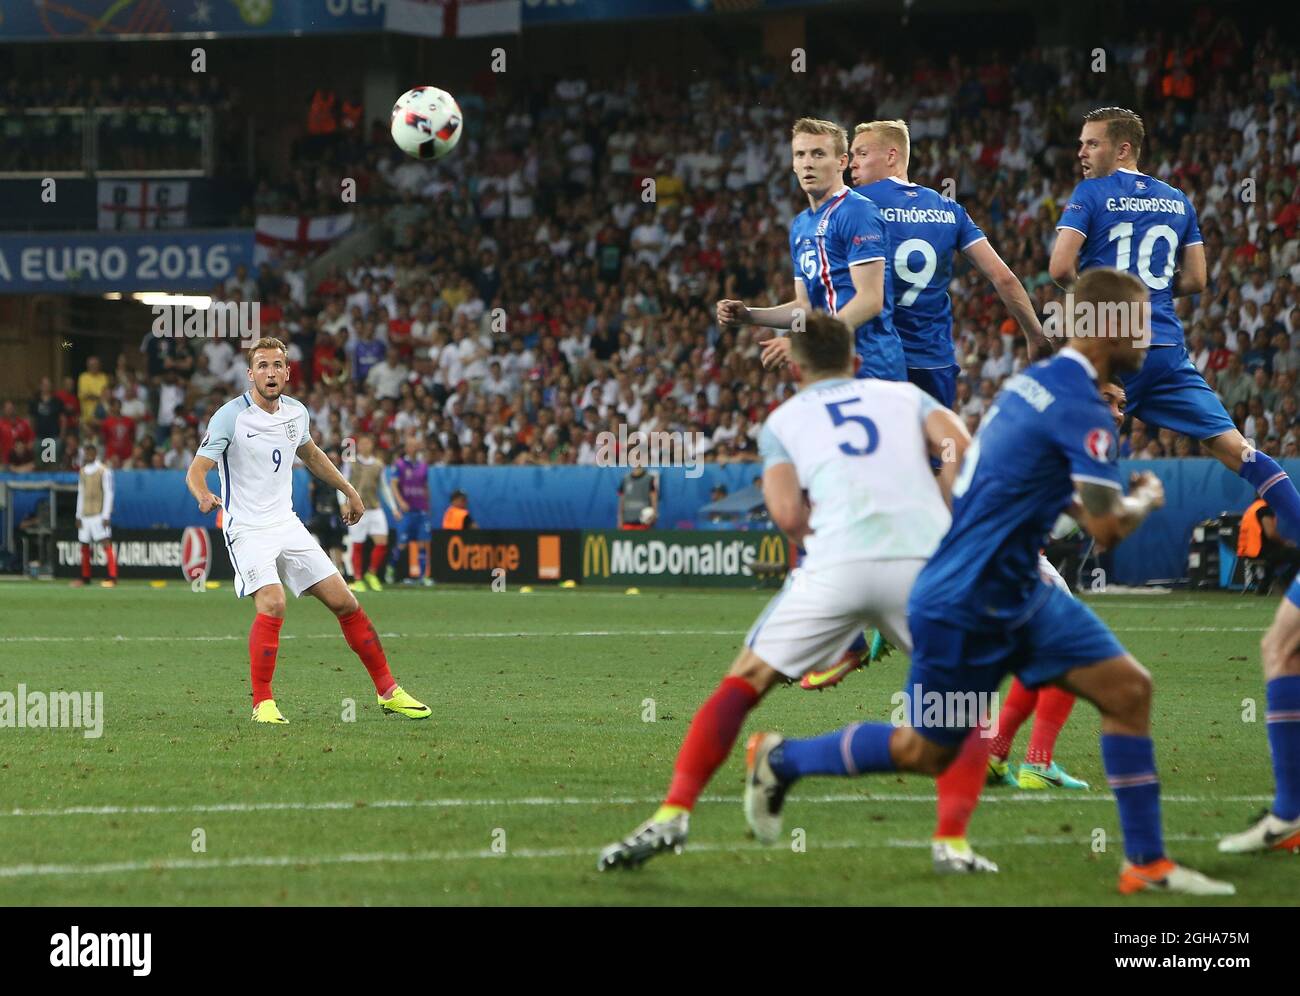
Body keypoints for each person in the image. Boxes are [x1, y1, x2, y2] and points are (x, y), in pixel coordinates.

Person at [743, 270, 1234, 895]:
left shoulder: (1038, 382)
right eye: (1141, 321)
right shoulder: (1083, 406)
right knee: (926, 752)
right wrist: (1147, 499)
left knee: (1128, 690)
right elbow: (1107, 528)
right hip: (967, 597)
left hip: (1013, 589)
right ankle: (781, 758)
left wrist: (1104, 507)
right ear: (1108, 327)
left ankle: (1146, 862)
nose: (1152, 334)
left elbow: (1069, 503)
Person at [597, 312, 972, 871]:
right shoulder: (905, 397)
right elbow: (960, 452)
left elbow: (787, 512)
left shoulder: (782, 421)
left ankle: (673, 813)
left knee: (745, 682)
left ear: (794, 368)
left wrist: (820, 537)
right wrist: (943, 509)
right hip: (921, 565)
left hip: (836, 563)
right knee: (960, 702)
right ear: (858, 361)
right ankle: (952, 844)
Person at [1050, 106, 1300, 543]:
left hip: (1113, 346)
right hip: (1166, 349)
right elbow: (1198, 279)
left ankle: (1026, 561)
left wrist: (1099, 301)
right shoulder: (1177, 199)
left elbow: (1059, 268)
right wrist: (1153, 294)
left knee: (1058, 451)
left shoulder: (1090, 194)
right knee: (1237, 450)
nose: (1081, 153)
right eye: (1081, 144)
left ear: (1123, 148)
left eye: (1092, 143)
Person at [184, 336, 430, 724]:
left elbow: (311, 454)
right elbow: (197, 469)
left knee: (345, 602)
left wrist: (349, 490)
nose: (270, 372)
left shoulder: (296, 414)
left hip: (287, 523)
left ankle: (388, 692)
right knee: (274, 602)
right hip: (247, 528)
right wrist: (202, 495)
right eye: (262, 366)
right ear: (250, 374)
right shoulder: (230, 416)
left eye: (277, 365)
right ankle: (262, 704)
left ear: (287, 372)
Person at [986, 380, 1130, 792]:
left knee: (1044, 659)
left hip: (1014, 554)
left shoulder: (1056, 430)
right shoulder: (1073, 439)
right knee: (1073, 655)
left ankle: (996, 756)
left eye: (1121, 404)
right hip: (1013, 556)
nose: (1118, 412)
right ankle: (1037, 763)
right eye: (1107, 401)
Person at [717, 117, 905, 383]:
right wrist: (749, 315)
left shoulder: (857, 212)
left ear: (841, 162)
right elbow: (805, 306)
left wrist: (803, 342)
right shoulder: (801, 225)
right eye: (800, 155)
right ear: (793, 164)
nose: (808, 162)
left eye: (818, 154)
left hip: (872, 365)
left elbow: (870, 300)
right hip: (827, 365)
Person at [341, 433, 396, 593]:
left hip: (374, 508)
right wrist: (342, 504)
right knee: (357, 544)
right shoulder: (351, 462)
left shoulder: (378, 464)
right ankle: (358, 579)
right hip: (356, 509)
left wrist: (393, 508)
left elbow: (384, 487)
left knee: (382, 542)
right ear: (358, 445)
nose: (365, 446)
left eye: (367, 443)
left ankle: (371, 573)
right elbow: (342, 482)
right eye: (362, 443)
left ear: (372, 445)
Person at [72, 443, 117, 588]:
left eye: (91, 452)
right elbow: (81, 493)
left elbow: (109, 493)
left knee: (105, 542)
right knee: (84, 545)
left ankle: (112, 576)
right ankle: (85, 577)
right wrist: (78, 515)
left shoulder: (104, 471)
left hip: (98, 514)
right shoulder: (83, 471)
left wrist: (106, 515)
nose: (88, 455)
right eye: (86, 452)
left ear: (95, 453)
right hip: (85, 514)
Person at [392, 432, 433, 585]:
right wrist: (400, 502)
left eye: (416, 446)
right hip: (407, 510)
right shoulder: (400, 464)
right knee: (402, 543)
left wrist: (428, 505)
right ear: (407, 448)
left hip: (421, 509)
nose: (414, 448)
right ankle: (392, 571)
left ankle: (423, 577)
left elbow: (425, 486)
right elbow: (394, 484)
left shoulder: (423, 465)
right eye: (411, 446)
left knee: (423, 541)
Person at [1237, 496, 1300, 594]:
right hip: (1260, 551)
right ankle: (1284, 580)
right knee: (1295, 554)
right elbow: (1270, 534)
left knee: (1274, 558)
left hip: (1249, 552)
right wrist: (1285, 542)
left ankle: (1263, 587)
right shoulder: (1265, 509)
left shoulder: (1253, 508)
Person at [617, 465, 658, 530]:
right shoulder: (625, 479)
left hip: (644, 522)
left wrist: (654, 514)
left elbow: (653, 498)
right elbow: (621, 500)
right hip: (628, 521)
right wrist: (620, 519)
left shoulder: (649, 478)